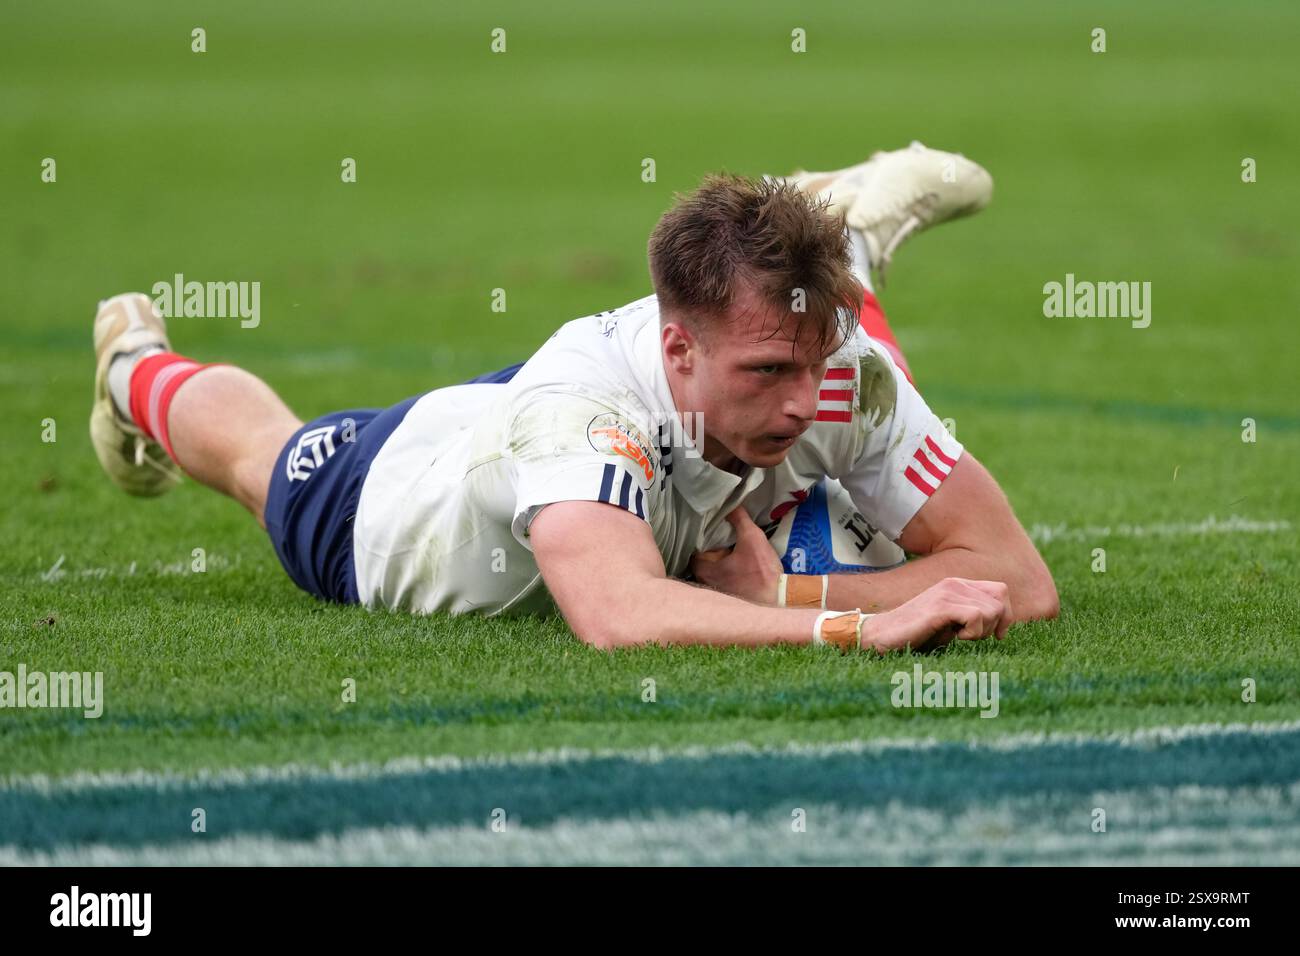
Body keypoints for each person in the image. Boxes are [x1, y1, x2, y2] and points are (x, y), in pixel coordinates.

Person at [88, 143, 1057, 653]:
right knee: (265, 456)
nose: (806, 400)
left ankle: (837, 237)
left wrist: (791, 590)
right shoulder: (582, 410)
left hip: (604, 447)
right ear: (679, 347)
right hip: (394, 493)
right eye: (768, 371)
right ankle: (132, 360)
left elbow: (1022, 580)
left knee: (837, 398)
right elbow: (617, 613)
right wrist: (854, 620)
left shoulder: (836, 366)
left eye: (813, 362)